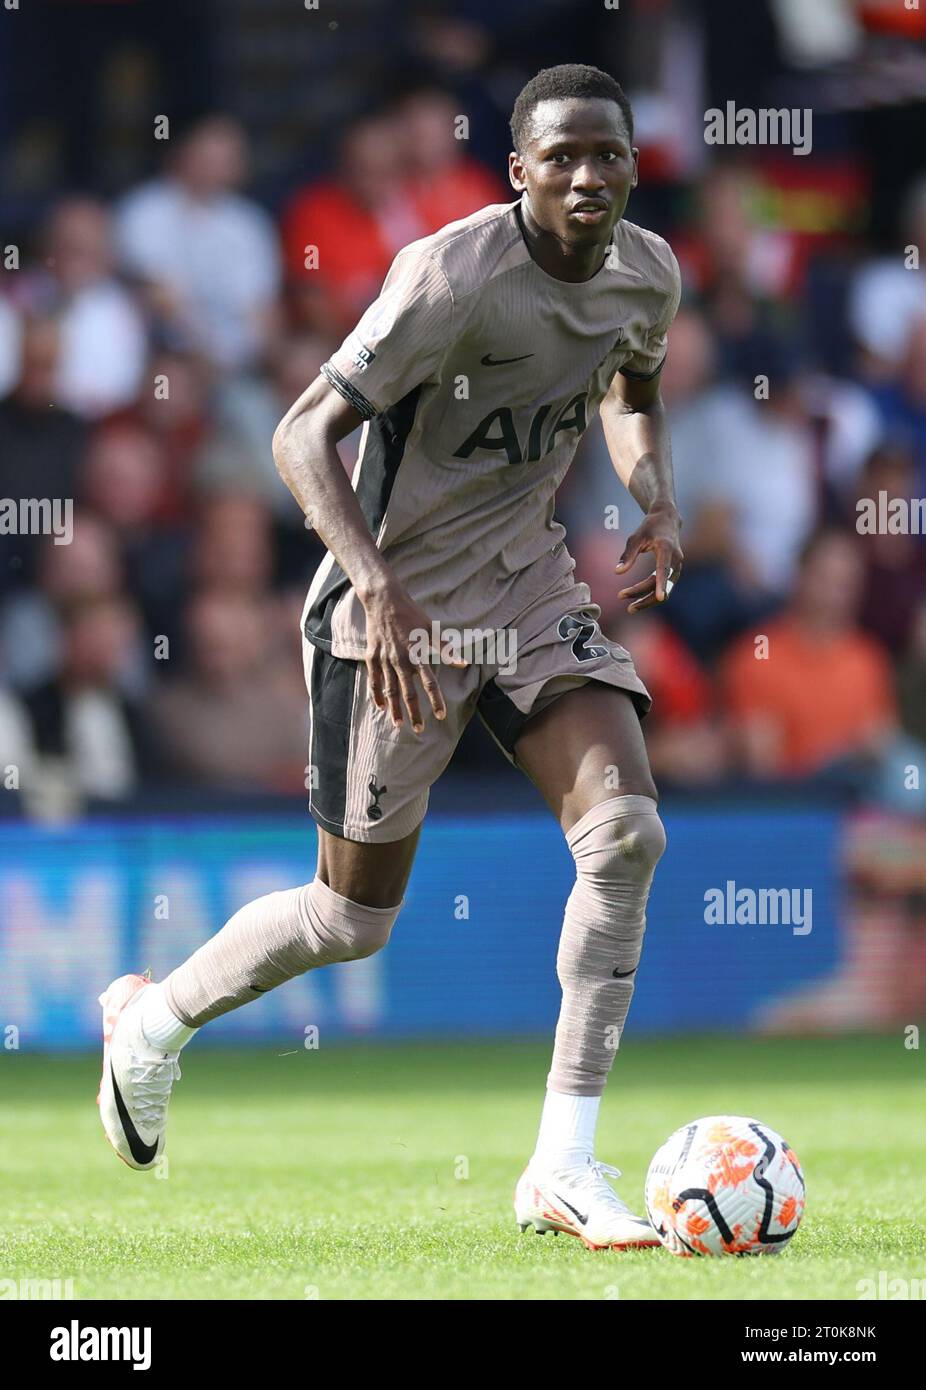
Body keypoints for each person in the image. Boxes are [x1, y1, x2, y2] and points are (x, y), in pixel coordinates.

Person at [97, 65, 684, 1252]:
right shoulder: (450, 276)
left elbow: (631, 388)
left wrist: (653, 498)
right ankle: (152, 1024)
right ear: (516, 170)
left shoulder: (648, 272)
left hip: (525, 584)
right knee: (349, 919)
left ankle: (560, 1165)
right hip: (396, 606)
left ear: (630, 165)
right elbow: (299, 431)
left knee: (624, 838)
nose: (586, 176)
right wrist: (376, 584)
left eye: (606, 156)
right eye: (559, 156)